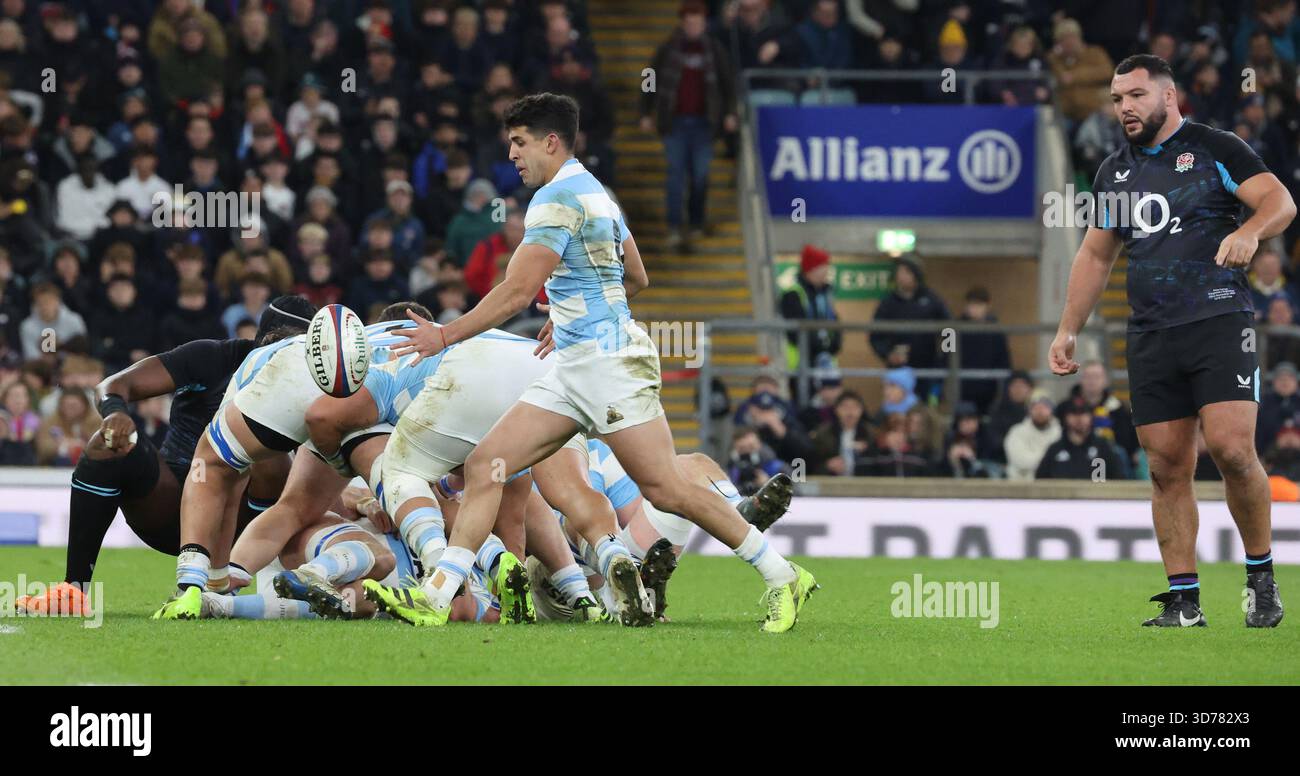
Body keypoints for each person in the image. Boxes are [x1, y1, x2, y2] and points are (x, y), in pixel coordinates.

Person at [375, 93, 817, 632]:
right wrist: (570, 314)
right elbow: (636, 276)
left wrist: (444, 334)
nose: (512, 154)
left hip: (607, 365)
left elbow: (516, 292)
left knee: (667, 489)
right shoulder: (599, 196)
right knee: (486, 464)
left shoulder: (553, 198)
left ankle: (782, 574)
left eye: (519, 142)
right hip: (573, 368)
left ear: (550, 142)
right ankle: (437, 595)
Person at [1049, 54, 1296, 628]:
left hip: (1217, 321)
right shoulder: (1114, 171)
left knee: (1234, 451)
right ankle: (1184, 600)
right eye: (1116, 100)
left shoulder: (1218, 147)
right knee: (1165, 467)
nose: (1124, 109)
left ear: (1168, 96)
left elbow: (1280, 201)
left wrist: (1248, 231)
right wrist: (1068, 329)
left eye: (1135, 96)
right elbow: (1095, 253)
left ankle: (1261, 579)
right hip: (1151, 332)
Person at [13, 300, 314, 617]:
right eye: (283, 341)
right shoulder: (212, 358)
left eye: (299, 344)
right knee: (107, 443)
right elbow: (114, 384)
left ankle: (225, 587)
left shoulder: (313, 384)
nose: (288, 351)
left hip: (249, 527)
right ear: (262, 337)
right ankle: (73, 590)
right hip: (171, 504)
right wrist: (115, 413)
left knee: (271, 457)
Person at [639, 1, 736, 252]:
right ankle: (674, 226)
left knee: (701, 175)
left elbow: (728, 84)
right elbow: (649, 77)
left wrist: (730, 113)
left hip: (705, 124)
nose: (693, 26)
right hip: (675, 124)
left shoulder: (714, 50)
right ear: (683, 22)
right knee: (675, 176)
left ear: (704, 23)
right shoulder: (668, 49)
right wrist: (646, 111)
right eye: (690, 21)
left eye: (698, 21)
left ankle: (696, 222)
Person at [870, 257, 949, 402]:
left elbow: (949, 331)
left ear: (916, 275)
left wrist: (943, 359)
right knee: (897, 411)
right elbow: (875, 335)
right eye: (899, 272)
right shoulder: (888, 302)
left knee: (924, 412)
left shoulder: (932, 300)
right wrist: (887, 354)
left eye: (906, 272)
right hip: (898, 370)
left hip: (926, 369)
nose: (901, 276)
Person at [780, 244, 840, 376]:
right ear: (811, 269)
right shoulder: (793, 295)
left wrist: (833, 345)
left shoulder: (826, 294)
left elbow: (835, 323)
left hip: (827, 364)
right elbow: (795, 331)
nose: (826, 271)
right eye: (823, 267)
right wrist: (820, 347)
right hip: (801, 366)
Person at [1035, 396, 1127, 481]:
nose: (1079, 418)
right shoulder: (1055, 449)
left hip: (1097, 497)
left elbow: (1119, 478)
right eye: (1074, 413)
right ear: (1065, 418)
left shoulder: (1103, 447)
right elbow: (1040, 480)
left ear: (1091, 417)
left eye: (1083, 413)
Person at [956, 286, 1011, 414]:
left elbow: (1004, 360)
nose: (975, 309)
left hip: (988, 389)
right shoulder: (952, 330)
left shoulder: (997, 331)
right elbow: (945, 357)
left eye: (979, 305)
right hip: (962, 387)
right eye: (972, 304)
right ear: (966, 306)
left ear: (988, 306)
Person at [1003, 390, 1062, 481]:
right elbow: (1021, 462)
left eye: (1044, 407)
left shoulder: (1060, 433)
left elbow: (1061, 464)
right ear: (1029, 410)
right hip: (1020, 484)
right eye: (1035, 407)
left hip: (1051, 484)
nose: (1040, 411)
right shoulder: (1017, 432)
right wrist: (1048, 459)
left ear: (1051, 410)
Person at [810, 391, 870, 476]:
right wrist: (827, 465)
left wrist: (866, 452)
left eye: (855, 407)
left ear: (861, 410)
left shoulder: (870, 433)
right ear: (836, 409)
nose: (850, 412)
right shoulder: (823, 433)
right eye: (845, 407)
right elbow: (811, 463)